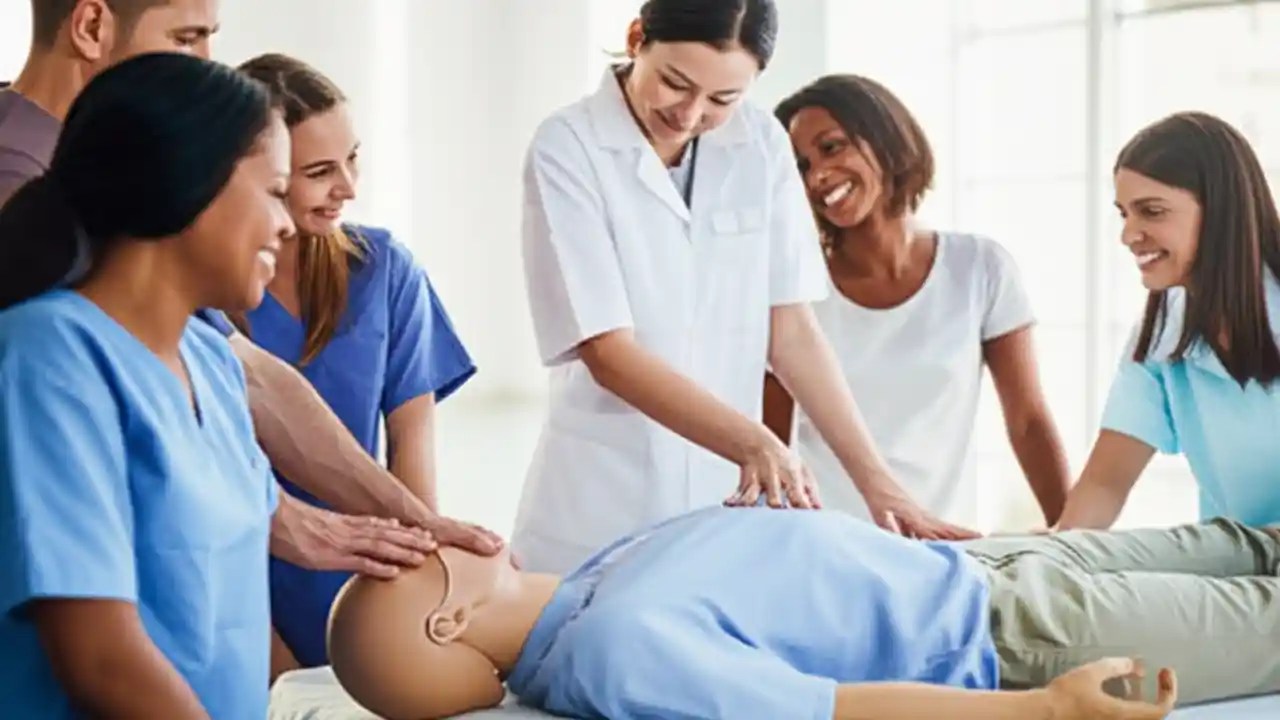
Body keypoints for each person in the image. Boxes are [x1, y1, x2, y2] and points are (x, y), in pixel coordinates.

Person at [0, 0, 502, 571]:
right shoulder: (21, 189)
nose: (211, 65)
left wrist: (416, 521)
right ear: (92, 27)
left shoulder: (120, 180)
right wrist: (279, 519)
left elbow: (246, 372)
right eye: (188, 38)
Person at [515, 0, 974, 575]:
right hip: (603, 498)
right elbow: (607, 350)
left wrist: (881, 487)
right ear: (637, 39)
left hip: (716, 504)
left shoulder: (761, 142)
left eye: (721, 100)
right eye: (675, 83)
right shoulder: (569, 144)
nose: (689, 114)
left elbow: (792, 333)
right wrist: (754, 442)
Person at [328, 503, 1280, 720]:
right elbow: (823, 710)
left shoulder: (589, 588)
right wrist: (1044, 709)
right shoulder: (615, 652)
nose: (420, 533)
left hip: (980, 565)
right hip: (1010, 633)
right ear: (444, 621)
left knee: (1249, 543)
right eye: (403, 561)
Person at [0, 51, 293, 719]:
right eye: (274, 191)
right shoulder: (49, 358)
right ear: (194, 182)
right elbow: (101, 660)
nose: (289, 222)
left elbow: (225, 614)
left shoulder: (211, 364)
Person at [232, 53, 478, 676]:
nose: (349, 187)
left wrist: (420, 592)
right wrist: (268, 658)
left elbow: (412, 449)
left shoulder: (384, 271)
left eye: (353, 159)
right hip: (238, 585)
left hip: (363, 585)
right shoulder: (210, 293)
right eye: (320, 171)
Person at [767, 74, 1071, 530]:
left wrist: (1076, 538)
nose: (818, 175)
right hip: (828, 546)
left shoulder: (980, 269)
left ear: (885, 137)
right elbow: (772, 444)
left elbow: (1028, 421)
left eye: (832, 148)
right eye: (801, 166)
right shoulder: (795, 289)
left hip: (944, 545)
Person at [1057, 111, 1280, 530]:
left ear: (1220, 212)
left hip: (1263, 580)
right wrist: (1060, 554)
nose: (1128, 235)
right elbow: (1105, 484)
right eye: (1124, 213)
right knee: (1034, 567)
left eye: (1152, 212)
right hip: (1235, 564)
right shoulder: (1163, 332)